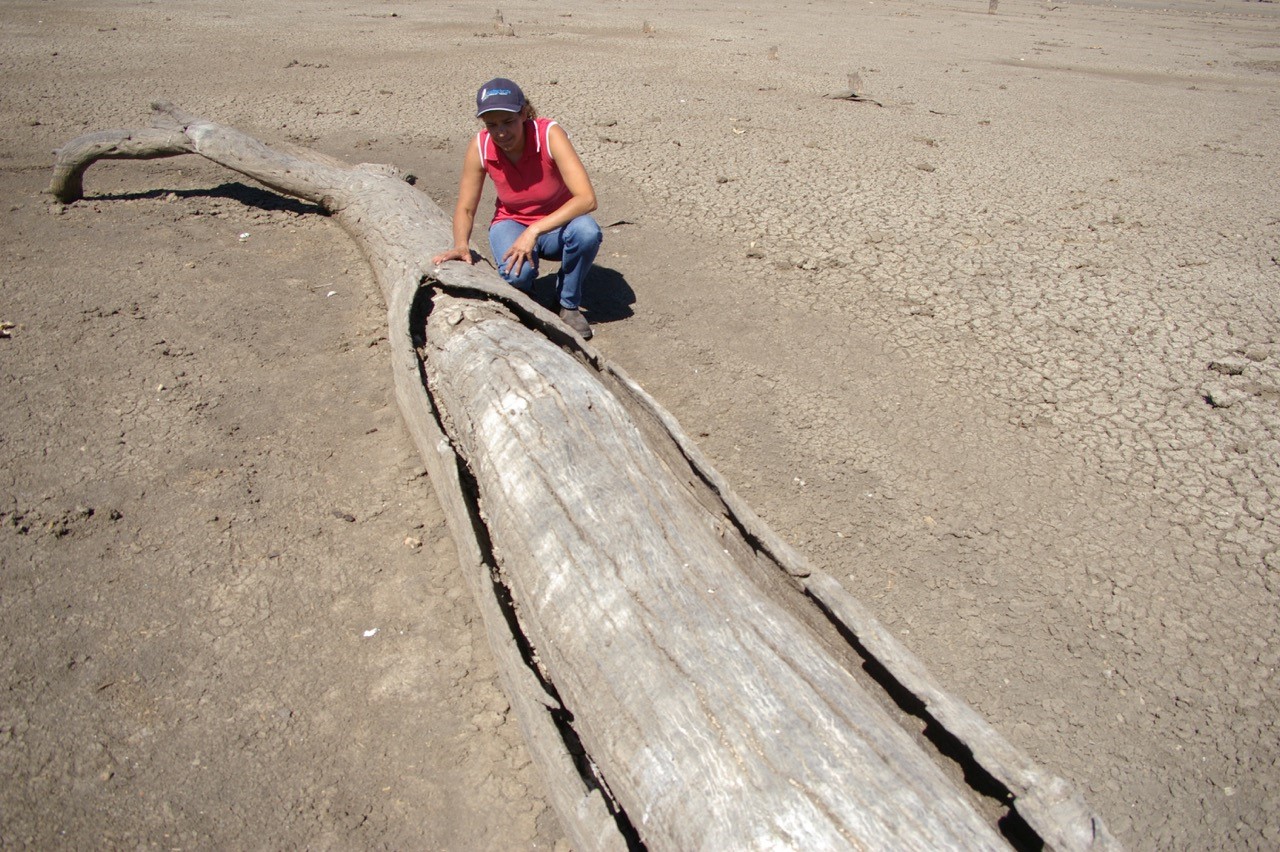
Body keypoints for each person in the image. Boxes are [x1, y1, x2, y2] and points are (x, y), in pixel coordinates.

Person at [432, 78, 603, 340]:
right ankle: (528, 295)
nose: (501, 133)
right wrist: (461, 244)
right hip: (511, 221)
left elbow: (586, 199)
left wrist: (533, 230)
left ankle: (567, 302)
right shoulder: (481, 146)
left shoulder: (548, 135)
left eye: (508, 122)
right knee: (515, 277)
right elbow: (466, 207)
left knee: (587, 231)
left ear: (523, 114)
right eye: (492, 125)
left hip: (558, 225)